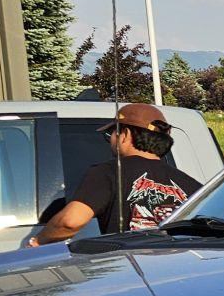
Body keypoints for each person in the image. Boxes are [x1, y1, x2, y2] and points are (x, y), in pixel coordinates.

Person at [29, 103, 201, 245]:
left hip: (131, 269)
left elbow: (70, 222)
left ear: (125, 134)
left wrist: (37, 242)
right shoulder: (192, 185)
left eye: (110, 134)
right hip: (178, 269)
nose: (110, 140)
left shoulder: (108, 172)